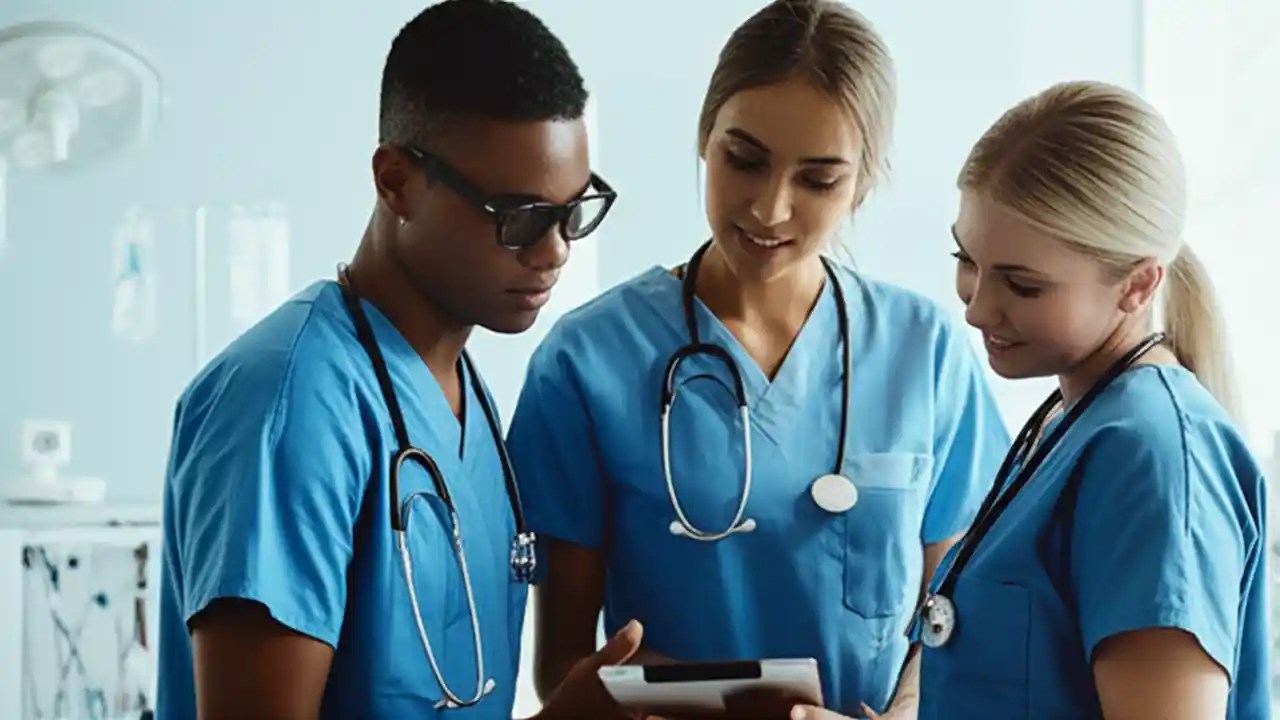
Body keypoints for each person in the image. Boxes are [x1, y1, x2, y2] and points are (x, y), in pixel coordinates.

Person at [504, 1, 1010, 717]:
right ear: (704, 140)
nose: (770, 209)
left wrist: (899, 716)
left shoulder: (923, 350)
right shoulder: (587, 361)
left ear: (864, 181)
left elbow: (955, 624)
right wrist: (739, 710)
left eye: (818, 180)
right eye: (744, 161)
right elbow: (564, 666)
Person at [154, 1, 643, 717]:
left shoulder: (464, 396)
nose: (554, 252)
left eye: (573, 213)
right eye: (520, 218)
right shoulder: (287, 405)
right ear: (397, 182)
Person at [798, 81, 1270, 719]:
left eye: (1022, 286)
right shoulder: (1069, 424)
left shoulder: (1153, 460)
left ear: (1137, 285)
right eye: (967, 260)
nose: (977, 308)